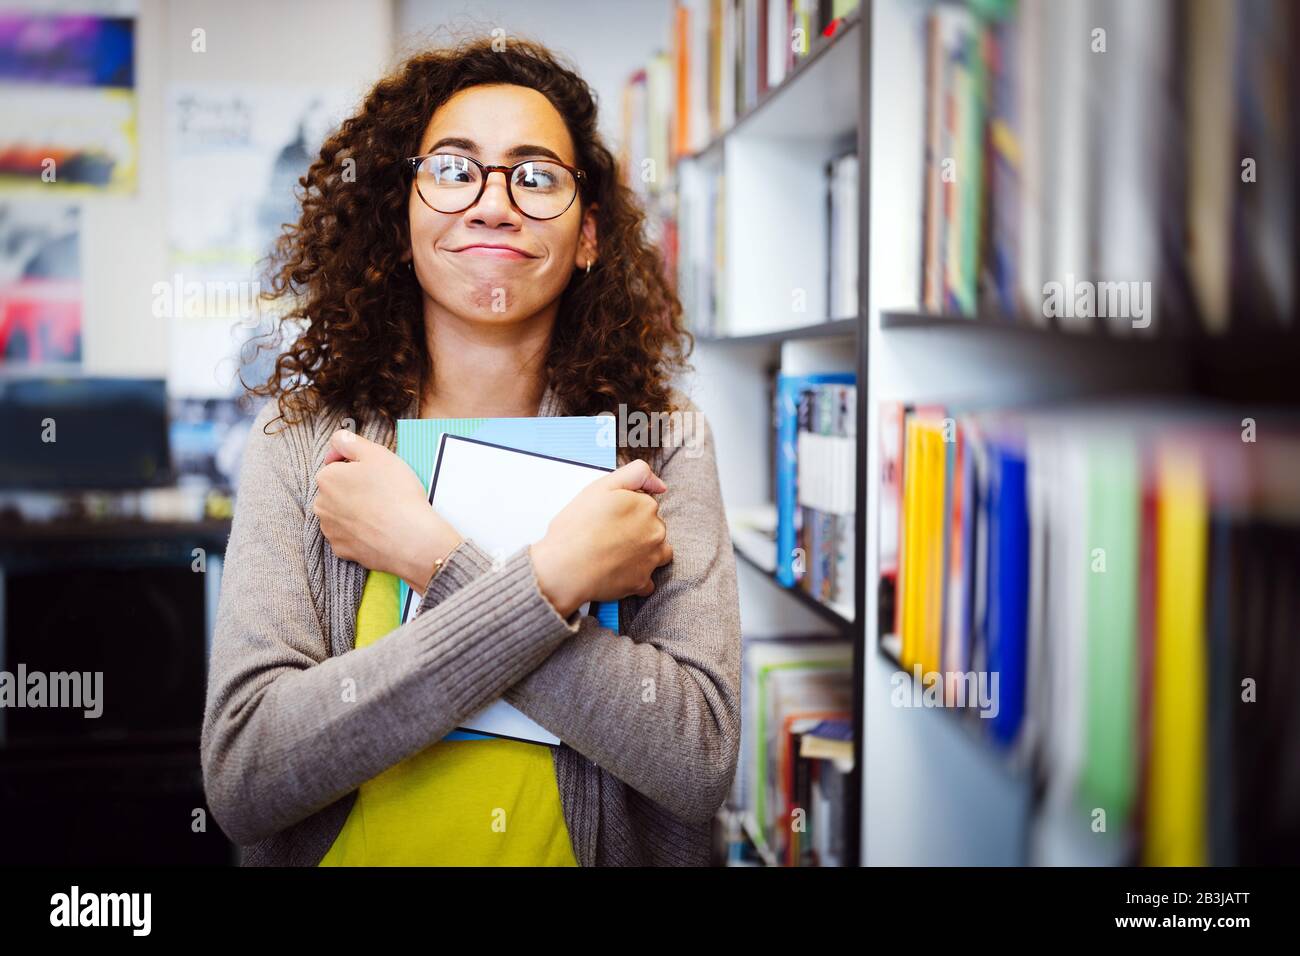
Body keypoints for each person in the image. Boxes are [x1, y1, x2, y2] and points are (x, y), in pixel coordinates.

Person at [199, 34, 742, 866]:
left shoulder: (663, 446)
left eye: (535, 175)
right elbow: (246, 776)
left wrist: (432, 556)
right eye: (454, 170)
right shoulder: (306, 445)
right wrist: (551, 583)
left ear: (588, 234)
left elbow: (695, 758)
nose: (494, 205)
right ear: (400, 219)